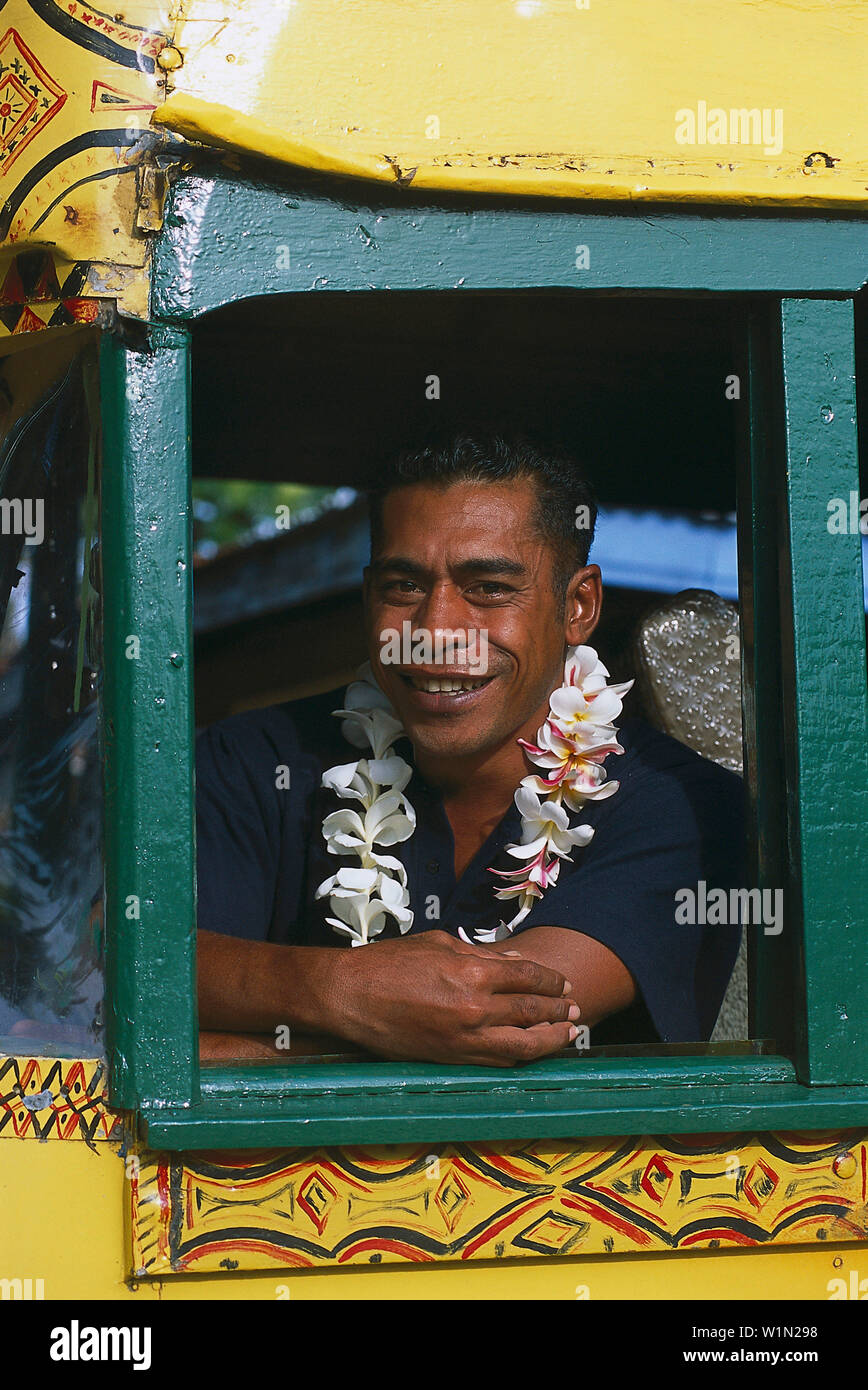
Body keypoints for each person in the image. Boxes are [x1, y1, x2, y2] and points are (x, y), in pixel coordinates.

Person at [196, 434, 743, 1065]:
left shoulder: (684, 805)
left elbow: (496, 1024)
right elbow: (140, 970)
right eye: (403, 586)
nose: (435, 633)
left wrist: (229, 1041)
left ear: (578, 605)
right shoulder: (252, 760)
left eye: (487, 588)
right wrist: (337, 988)